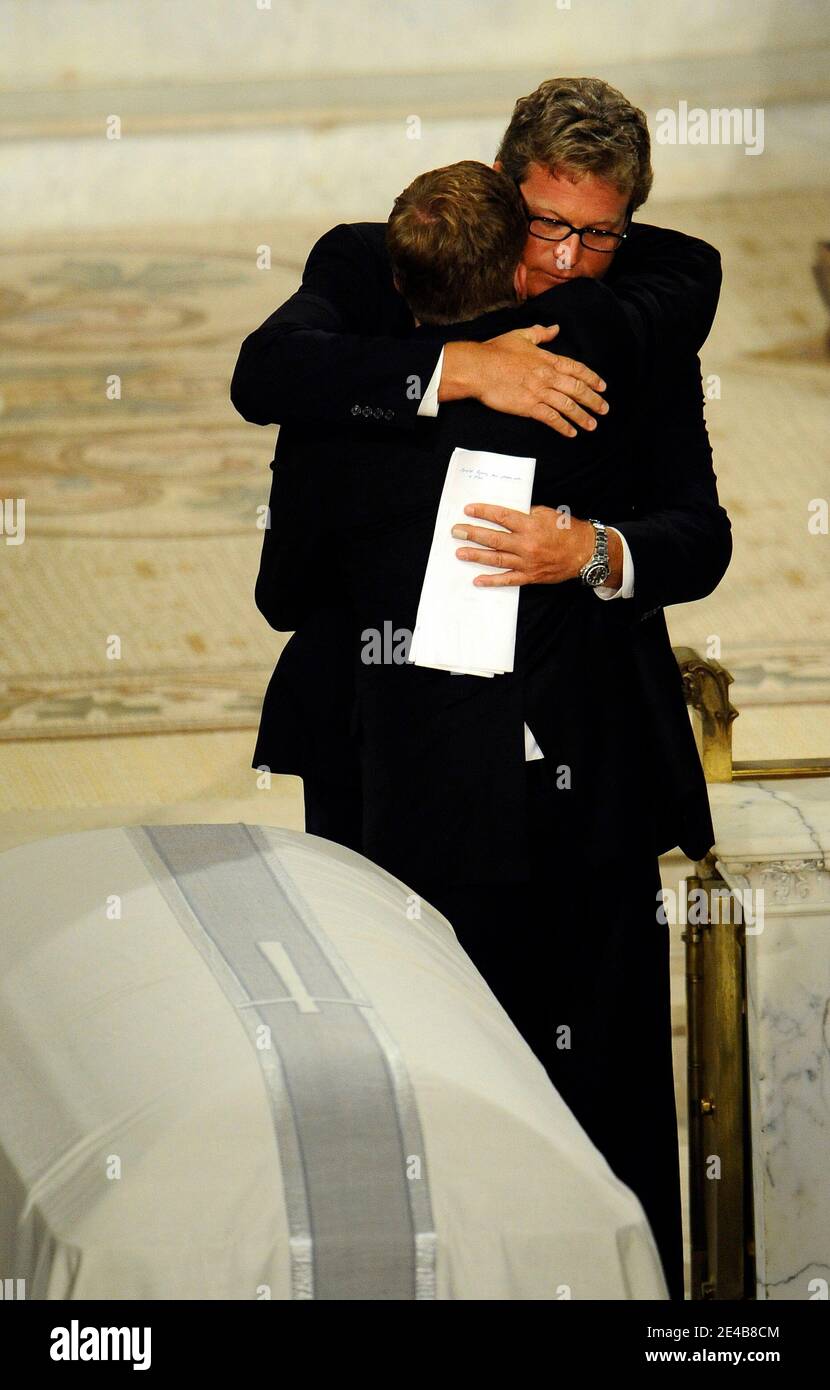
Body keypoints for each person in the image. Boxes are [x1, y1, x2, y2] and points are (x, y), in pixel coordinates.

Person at [231, 81, 733, 1301]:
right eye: (542, 227)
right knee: (410, 1083)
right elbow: (266, 373)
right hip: (386, 760)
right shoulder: (373, 270)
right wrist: (458, 370)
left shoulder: (645, 308)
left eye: (594, 235)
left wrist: (594, 549)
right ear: (500, 190)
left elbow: (699, 537)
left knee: (603, 1094)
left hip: (586, 767)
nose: (563, 261)